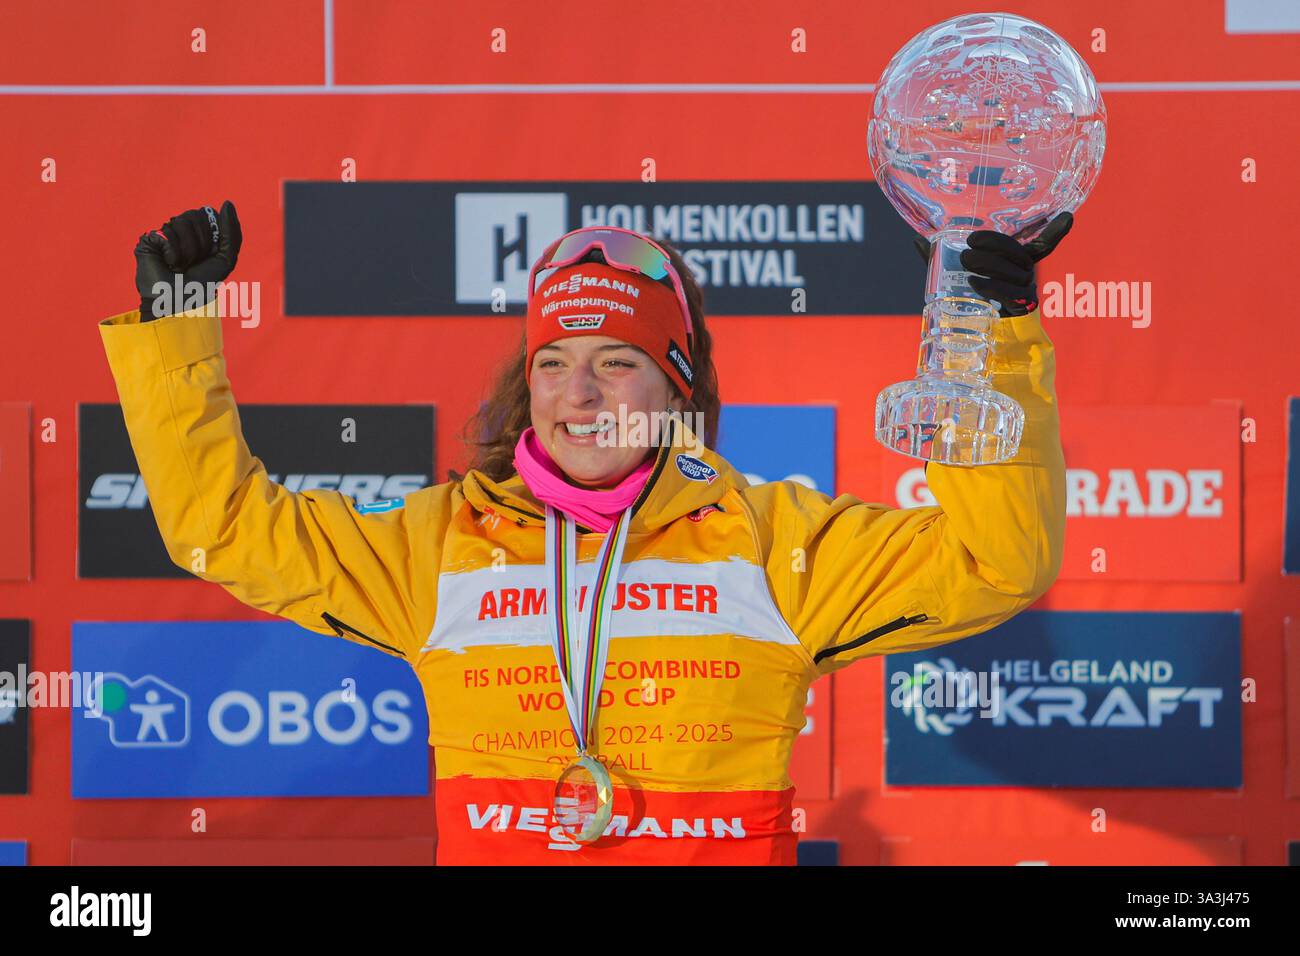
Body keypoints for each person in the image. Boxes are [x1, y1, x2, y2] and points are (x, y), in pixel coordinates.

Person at [101, 204, 1068, 865]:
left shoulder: (774, 544)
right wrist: (176, 329)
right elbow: (223, 530)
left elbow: (997, 561)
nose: (581, 395)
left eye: (617, 362)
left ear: (676, 385)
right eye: (555, 363)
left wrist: (992, 344)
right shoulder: (439, 546)